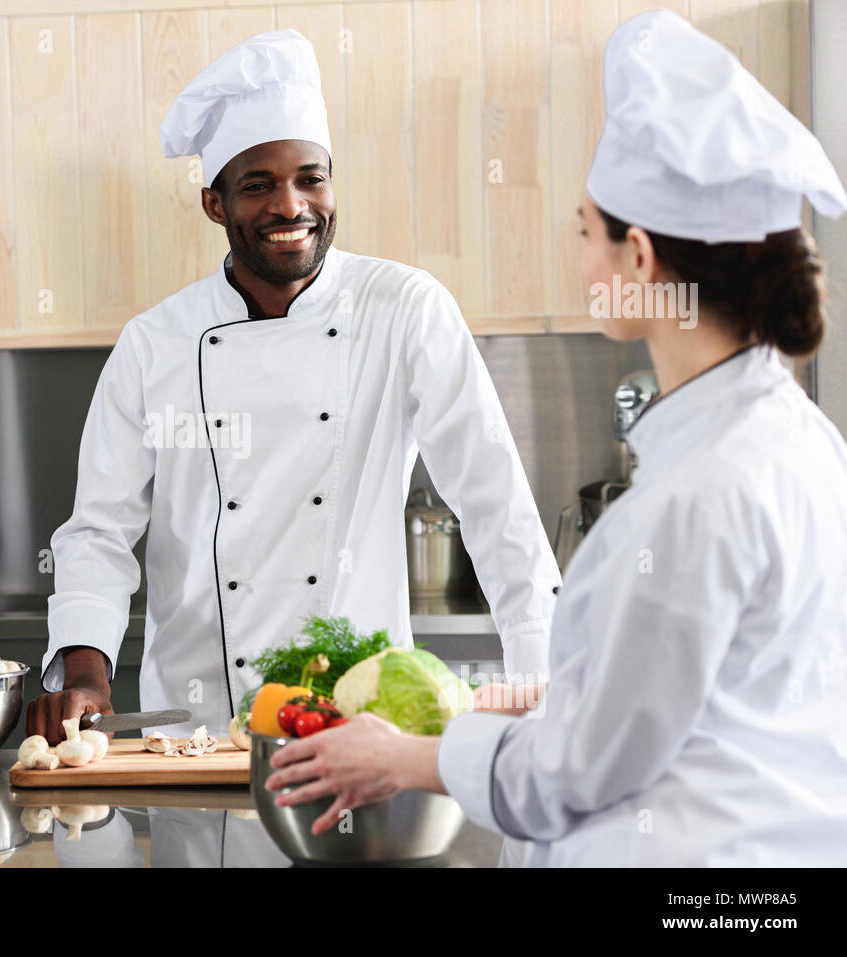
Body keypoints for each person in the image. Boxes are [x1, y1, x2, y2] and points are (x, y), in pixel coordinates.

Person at [267, 9, 847, 866]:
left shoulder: (698, 493)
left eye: (585, 230)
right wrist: (537, 700)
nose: (579, 260)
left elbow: (574, 774)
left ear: (640, 259)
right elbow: (697, 699)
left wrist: (407, 758)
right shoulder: (797, 440)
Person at [28, 30, 559, 747]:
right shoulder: (154, 345)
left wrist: (542, 676)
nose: (291, 205)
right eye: (259, 185)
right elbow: (99, 533)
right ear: (215, 204)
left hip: (363, 728)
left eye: (311, 177)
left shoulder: (403, 309)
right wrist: (86, 670)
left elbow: (497, 503)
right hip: (197, 730)